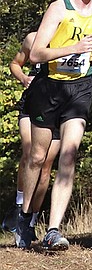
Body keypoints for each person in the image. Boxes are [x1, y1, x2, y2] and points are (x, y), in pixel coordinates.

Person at [16, 0, 92, 251]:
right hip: (48, 88)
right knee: (36, 157)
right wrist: (72, 47)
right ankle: (25, 217)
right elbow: (36, 54)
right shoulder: (59, 9)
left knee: (69, 154)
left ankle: (54, 229)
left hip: (80, 88)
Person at [2, 31, 61, 236]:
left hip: (58, 106)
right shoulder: (33, 38)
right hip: (32, 103)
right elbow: (15, 63)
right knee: (30, 151)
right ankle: (19, 206)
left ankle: (31, 221)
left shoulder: (74, 41)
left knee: (46, 166)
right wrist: (24, 78)